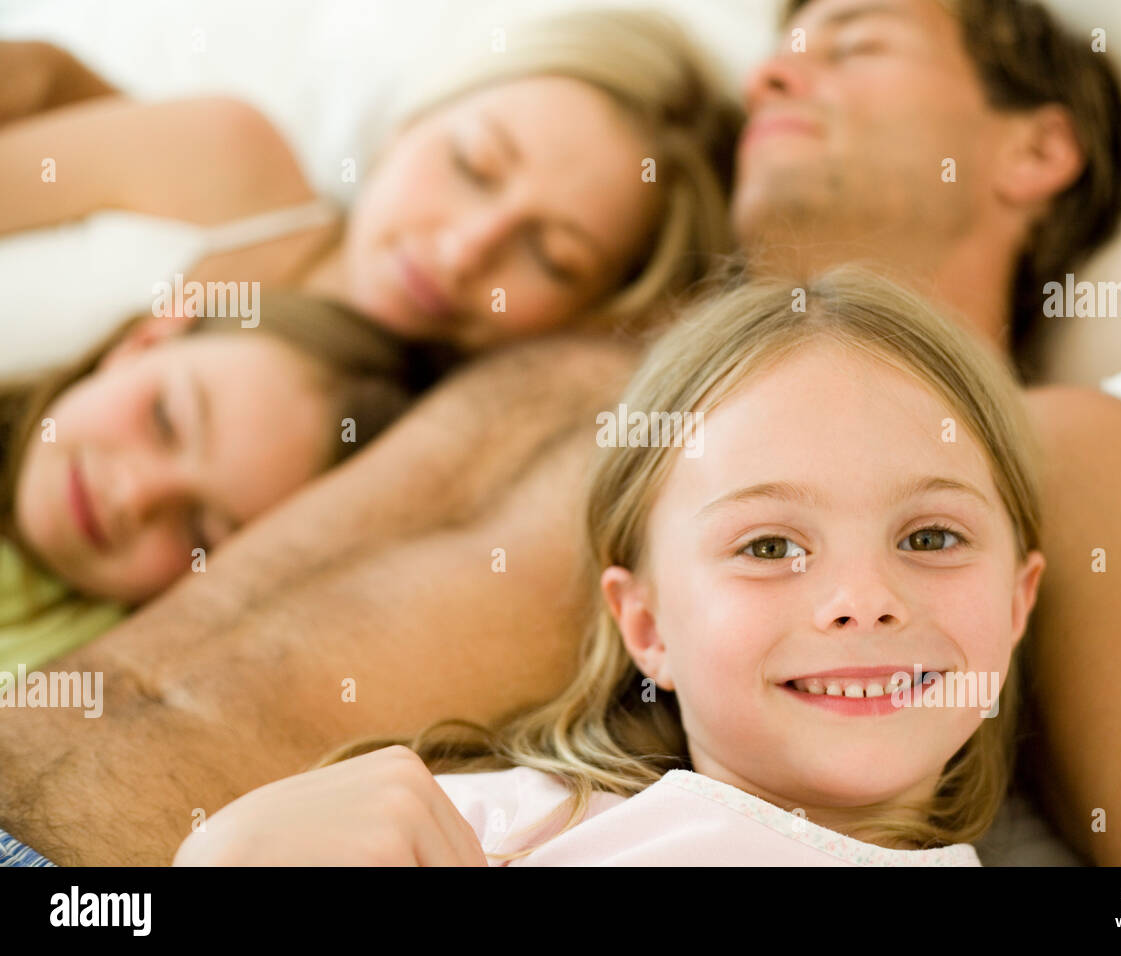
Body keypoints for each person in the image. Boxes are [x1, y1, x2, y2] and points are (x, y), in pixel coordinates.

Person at [2, 0, 1121, 869]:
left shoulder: (1060, 445)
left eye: (852, 40)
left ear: (1036, 151)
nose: (777, 65)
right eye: (781, 40)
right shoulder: (567, 325)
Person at [174, 268, 1045, 866]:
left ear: (1018, 600)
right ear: (648, 627)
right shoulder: (487, 822)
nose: (864, 600)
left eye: (931, 538)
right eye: (769, 547)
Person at [0, 9, 739, 365]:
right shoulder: (224, 158)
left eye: (552, 258)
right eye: (473, 165)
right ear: (407, 124)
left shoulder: (366, 452)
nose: (464, 249)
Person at [0, 291, 420, 674]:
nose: (134, 494)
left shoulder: (83, 686)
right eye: (165, 421)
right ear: (146, 339)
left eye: (200, 531)